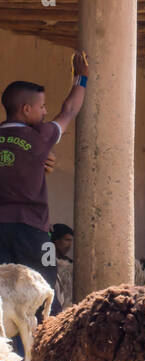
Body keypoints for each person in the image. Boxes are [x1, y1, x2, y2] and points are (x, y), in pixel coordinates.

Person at [0, 52, 89, 314]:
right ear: (26, 109)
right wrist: (81, 77)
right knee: (46, 290)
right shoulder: (40, 135)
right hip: (35, 232)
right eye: (41, 107)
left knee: (4, 295)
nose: (45, 111)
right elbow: (70, 109)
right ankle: (51, 344)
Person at [51, 222, 73, 314]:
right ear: (56, 240)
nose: (69, 244)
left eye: (71, 241)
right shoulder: (47, 264)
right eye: (66, 240)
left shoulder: (71, 264)